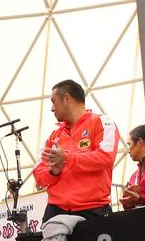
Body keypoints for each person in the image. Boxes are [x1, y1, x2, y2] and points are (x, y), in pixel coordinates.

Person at [33, 80, 120, 223]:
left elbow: (105, 157)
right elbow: (39, 174)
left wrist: (66, 158)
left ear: (67, 98)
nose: (52, 108)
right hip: (56, 211)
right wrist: (54, 172)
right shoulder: (53, 136)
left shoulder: (102, 122)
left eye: (54, 102)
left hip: (93, 210)